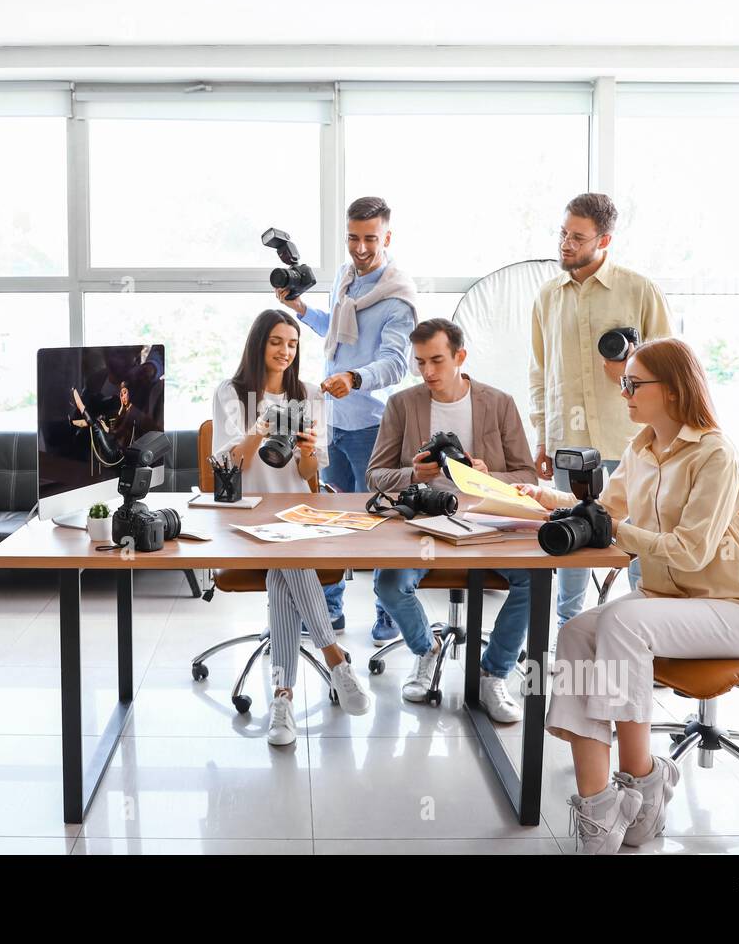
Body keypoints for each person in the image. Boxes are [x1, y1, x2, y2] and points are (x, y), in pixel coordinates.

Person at [515, 338, 739, 854]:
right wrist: (537, 498)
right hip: (676, 605)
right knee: (576, 632)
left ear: (673, 389)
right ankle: (599, 811)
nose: (624, 393)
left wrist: (618, 528)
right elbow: (606, 506)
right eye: (624, 382)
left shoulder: (715, 454)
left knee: (623, 623)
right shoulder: (643, 448)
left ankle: (642, 781)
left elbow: (690, 551)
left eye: (633, 383)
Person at [213, 308, 372, 746]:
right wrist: (259, 429)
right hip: (245, 515)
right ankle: (334, 657)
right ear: (259, 344)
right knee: (289, 562)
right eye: (276, 342)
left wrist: (305, 451)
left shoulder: (307, 395)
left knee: (286, 568)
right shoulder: (231, 393)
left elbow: (312, 478)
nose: (285, 351)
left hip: (297, 516)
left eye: (293, 343)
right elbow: (225, 464)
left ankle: (282, 699)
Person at [367, 319, 538, 720]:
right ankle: (427, 649)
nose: (428, 372)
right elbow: (375, 475)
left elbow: (528, 476)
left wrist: (486, 477)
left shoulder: (499, 403)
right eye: (420, 362)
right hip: (423, 520)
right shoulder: (402, 404)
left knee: (533, 580)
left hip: (484, 521)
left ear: (460, 357)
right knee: (388, 583)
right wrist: (413, 474)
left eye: (437, 361)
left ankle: (493, 672)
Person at [529, 192, 673, 626]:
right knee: (568, 538)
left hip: (631, 439)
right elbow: (540, 371)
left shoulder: (639, 290)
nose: (565, 245)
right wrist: (542, 435)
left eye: (578, 237)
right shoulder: (548, 296)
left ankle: (647, 634)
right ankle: (566, 638)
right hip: (567, 441)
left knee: (638, 543)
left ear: (604, 240)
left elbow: (673, 368)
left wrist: (627, 369)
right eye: (562, 234)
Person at [278, 196, 417, 645]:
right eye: (353, 238)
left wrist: (355, 378)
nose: (360, 248)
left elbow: (396, 364)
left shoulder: (398, 298)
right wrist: (302, 310)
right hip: (332, 420)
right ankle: (329, 610)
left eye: (370, 239)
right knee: (329, 519)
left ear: (388, 238)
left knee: (380, 521)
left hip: (373, 424)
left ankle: (387, 614)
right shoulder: (346, 277)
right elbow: (336, 330)